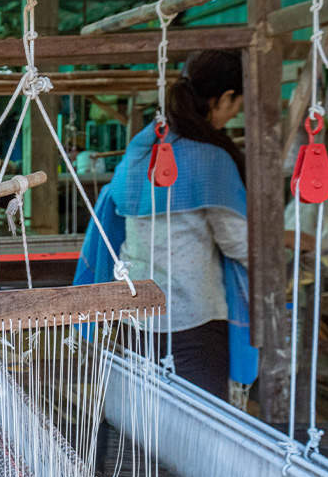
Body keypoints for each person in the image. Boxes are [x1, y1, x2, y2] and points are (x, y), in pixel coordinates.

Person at [74, 50, 254, 400]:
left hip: (133, 317)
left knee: (139, 427)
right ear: (225, 97)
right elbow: (240, 245)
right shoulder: (210, 159)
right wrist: (282, 259)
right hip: (192, 323)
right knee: (201, 427)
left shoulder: (140, 150)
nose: (235, 114)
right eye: (236, 105)